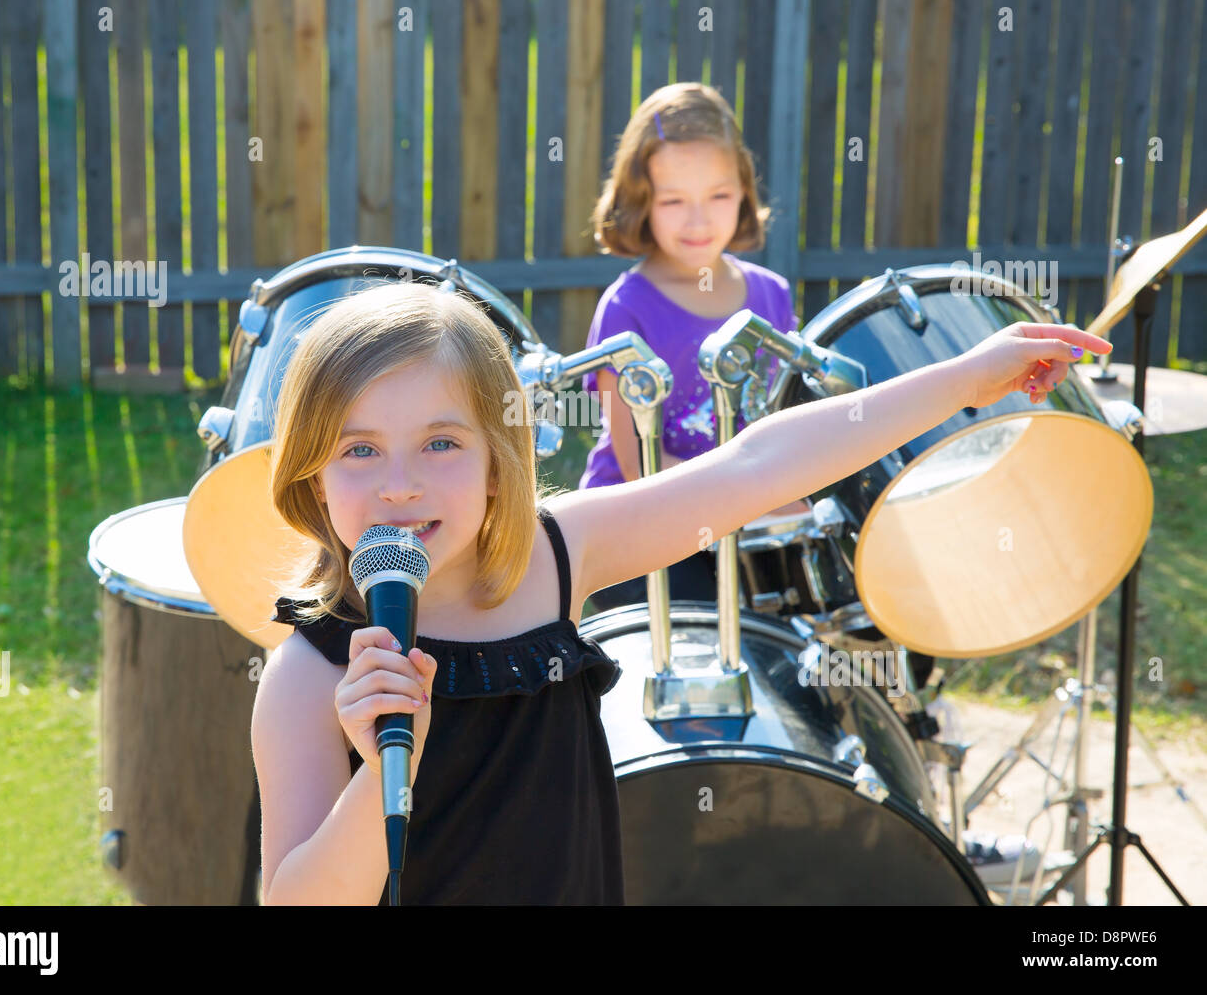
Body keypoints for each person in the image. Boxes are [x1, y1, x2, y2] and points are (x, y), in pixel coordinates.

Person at [252, 277, 1108, 905]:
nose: (400, 484)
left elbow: (756, 463)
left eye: (441, 443)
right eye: (359, 450)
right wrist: (384, 774)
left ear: (495, 465)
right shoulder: (308, 678)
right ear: (313, 477)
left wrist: (965, 377)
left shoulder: (555, 557)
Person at [579, 82, 803, 611]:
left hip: (745, 523)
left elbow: (789, 418)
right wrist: (748, 500)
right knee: (702, 629)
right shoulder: (625, 308)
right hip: (639, 532)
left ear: (745, 193)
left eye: (719, 196)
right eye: (674, 200)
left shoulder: (770, 295)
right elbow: (638, 462)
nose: (699, 220)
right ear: (639, 203)